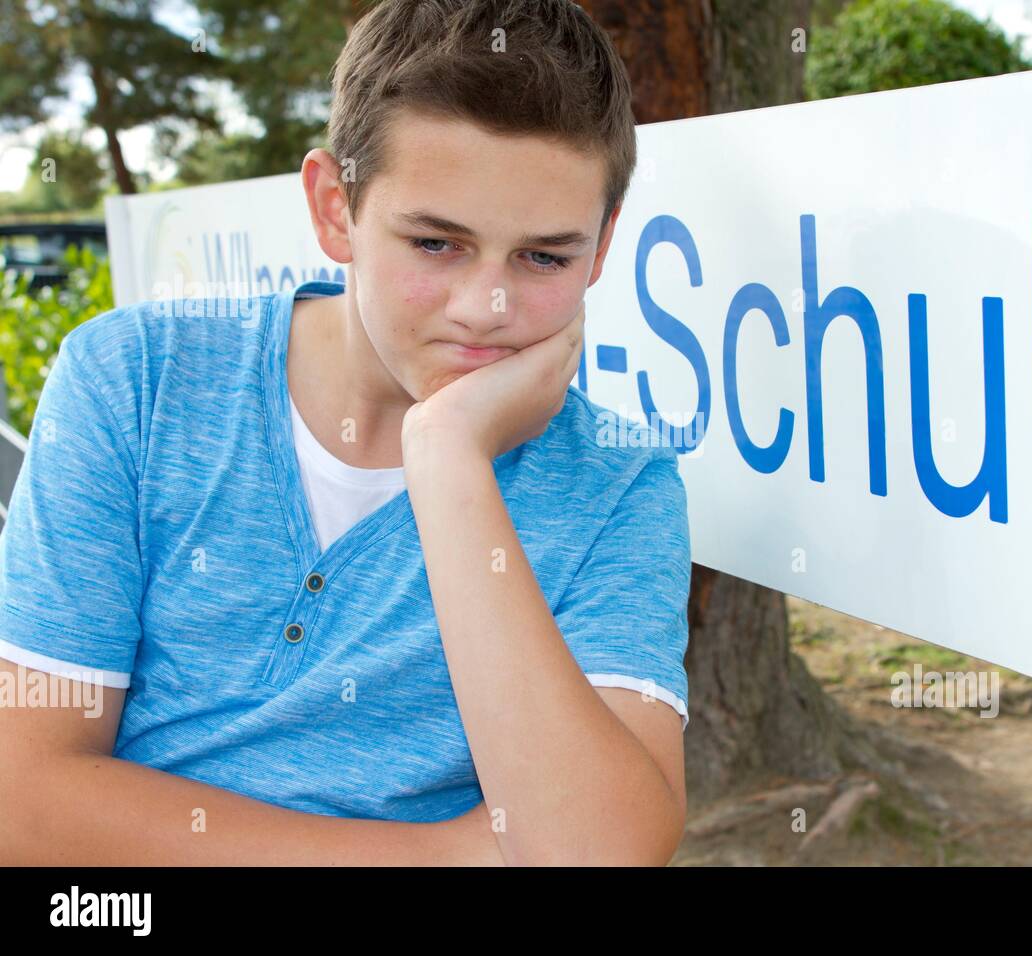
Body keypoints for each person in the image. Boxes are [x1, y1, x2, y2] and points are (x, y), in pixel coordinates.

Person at [0, 0, 691, 866]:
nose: (488, 309)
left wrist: (448, 461)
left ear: (601, 247)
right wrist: (444, 858)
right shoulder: (134, 379)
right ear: (335, 208)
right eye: (438, 244)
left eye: (544, 258)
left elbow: (596, 854)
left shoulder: (621, 484)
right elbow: (22, 803)